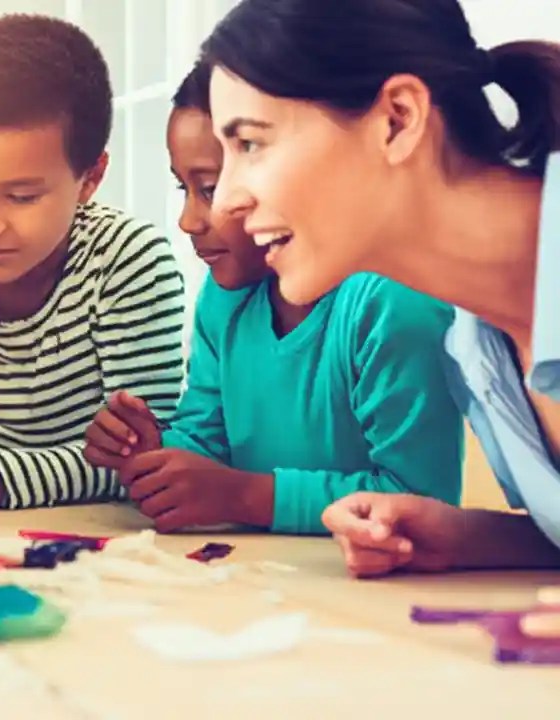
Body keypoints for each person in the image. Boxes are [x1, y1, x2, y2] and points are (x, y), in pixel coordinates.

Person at [198, 0, 560, 594]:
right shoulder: (474, 345)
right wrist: (466, 536)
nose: (225, 203)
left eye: (251, 144)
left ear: (397, 119)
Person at [83, 62, 463, 535]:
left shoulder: (391, 303)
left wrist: (245, 496)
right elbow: (207, 444)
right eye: (185, 188)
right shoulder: (224, 300)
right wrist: (151, 456)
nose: (187, 220)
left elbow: (422, 500)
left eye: (210, 189)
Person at [0, 14, 187, 515]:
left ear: (90, 179)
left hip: (109, 535)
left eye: (21, 196)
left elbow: (142, 460)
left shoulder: (129, 261)